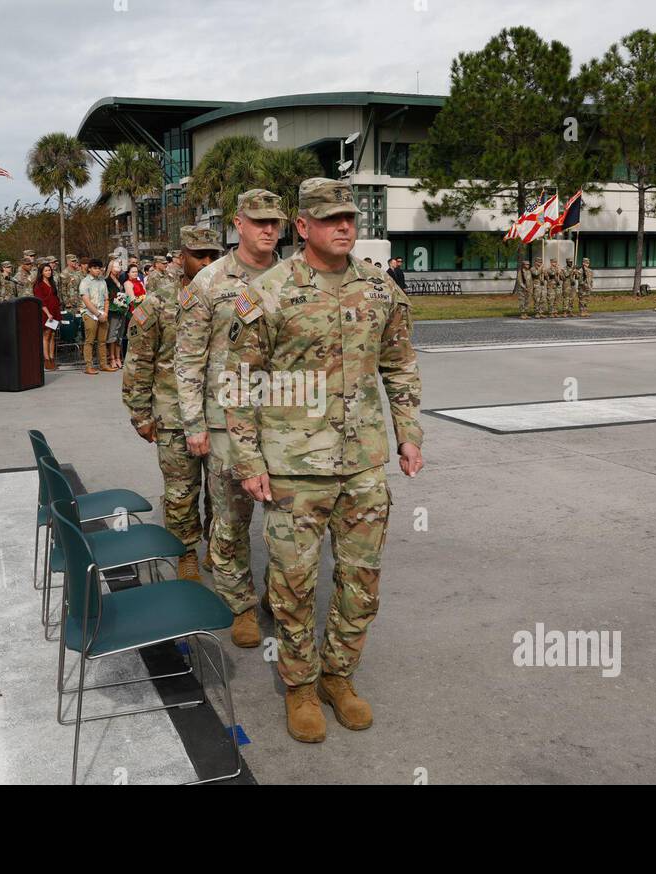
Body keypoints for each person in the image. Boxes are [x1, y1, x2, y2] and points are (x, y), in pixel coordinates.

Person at [224, 178, 423, 744]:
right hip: (292, 467)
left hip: (363, 462)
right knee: (292, 583)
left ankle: (339, 676)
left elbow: (400, 367)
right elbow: (240, 382)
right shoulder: (266, 293)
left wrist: (409, 433)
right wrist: (248, 458)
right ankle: (301, 685)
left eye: (350, 218)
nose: (344, 227)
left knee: (361, 580)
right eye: (331, 218)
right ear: (303, 227)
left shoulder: (382, 290)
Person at [175, 190, 286, 646]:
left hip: (283, 423)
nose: (268, 230)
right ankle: (239, 603)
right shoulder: (210, 281)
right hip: (224, 422)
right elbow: (187, 357)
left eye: (275, 222)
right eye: (259, 221)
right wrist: (194, 424)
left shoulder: (295, 277)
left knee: (287, 523)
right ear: (237, 224)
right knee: (231, 519)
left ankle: (277, 598)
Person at [122, 226, 222, 583]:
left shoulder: (230, 295)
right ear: (183, 257)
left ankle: (218, 546)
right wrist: (139, 413)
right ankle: (185, 552)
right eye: (200, 255)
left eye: (213, 255)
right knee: (181, 491)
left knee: (221, 491)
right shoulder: (158, 299)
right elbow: (139, 358)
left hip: (220, 414)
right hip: (173, 414)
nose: (208, 262)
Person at [79, 259, 111, 374]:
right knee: (90, 341)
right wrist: (97, 314)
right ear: (89, 269)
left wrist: (105, 313)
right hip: (89, 314)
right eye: (95, 268)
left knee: (102, 341)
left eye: (99, 268)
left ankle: (103, 364)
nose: (98, 270)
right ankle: (88, 366)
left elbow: (107, 299)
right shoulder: (85, 282)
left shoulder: (102, 281)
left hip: (102, 313)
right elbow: (86, 301)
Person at [33, 261, 61, 371]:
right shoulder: (38, 285)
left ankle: (52, 357)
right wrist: (48, 313)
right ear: (41, 272)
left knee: (53, 335)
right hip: (46, 313)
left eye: (49, 270)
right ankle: (46, 359)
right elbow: (40, 301)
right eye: (46, 270)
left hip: (54, 311)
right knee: (46, 335)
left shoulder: (52, 282)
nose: (48, 272)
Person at [105, 259, 127, 371]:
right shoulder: (107, 281)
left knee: (119, 335)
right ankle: (112, 358)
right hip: (112, 311)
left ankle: (119, 358)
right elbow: (107, 296)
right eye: (115, 266)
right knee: (112, 335)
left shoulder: (121, 279)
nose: (117, 269)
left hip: (121, 310)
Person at [514, 254, 533, 319]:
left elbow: (531, 281)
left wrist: (531, 288)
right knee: (522, 301)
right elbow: (519, 281)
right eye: (526, 264)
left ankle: (526, 314)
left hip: (528, 289)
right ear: (523, 265)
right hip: (522, 290)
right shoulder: (520, 272)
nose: (528, 265)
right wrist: (525, 288)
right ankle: (522, 314)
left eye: (528, 264)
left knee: (527, 302)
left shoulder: (529, 272)